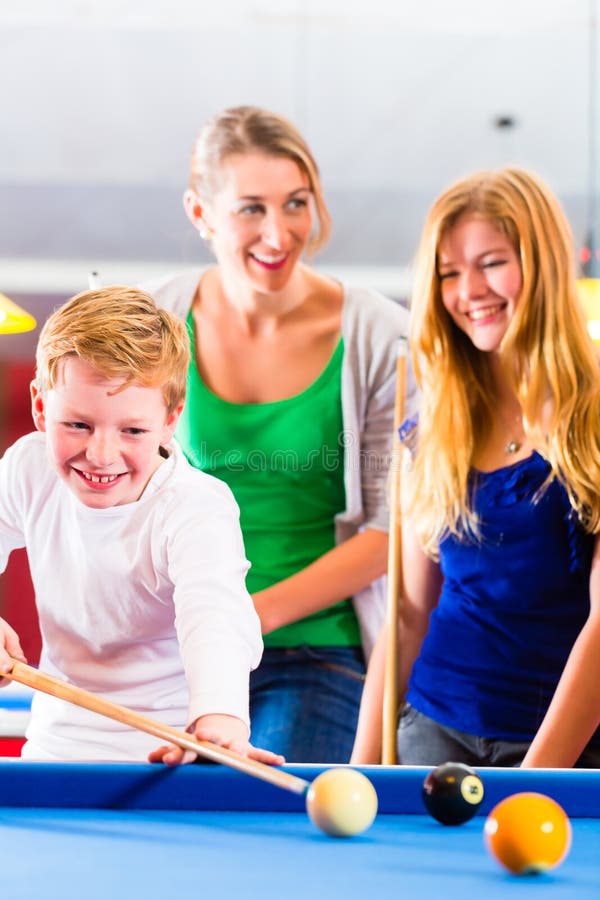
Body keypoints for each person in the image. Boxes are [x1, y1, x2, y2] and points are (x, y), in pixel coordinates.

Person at [145, 105, 413, 763]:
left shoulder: (383, 337)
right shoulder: (153, 319)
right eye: (250, 208)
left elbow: (390, 529)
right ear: (200, 212)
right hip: (172, 642)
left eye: (296, 203)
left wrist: (245, 620)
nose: (279, 231)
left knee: (262, 823)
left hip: (311, 648)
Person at [351, 166, 600, 768]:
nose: (469, 291)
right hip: (433, 733)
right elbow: (409, 615)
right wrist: (357, 770)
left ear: (539, 263)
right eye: (449, 274)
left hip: (567, 749)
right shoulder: (434, 425)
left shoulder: (592, 416)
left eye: (491, 263)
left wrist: (536, 778)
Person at [0, 285, 283, 766]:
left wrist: (220, 718)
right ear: (41, 408)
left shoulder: (196, 507)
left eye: (132, 430)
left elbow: (215, 615)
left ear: (171, 419)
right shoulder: (27, 467)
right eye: (78, 425)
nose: (102, 455)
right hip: (51, 753)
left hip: (173, 758)